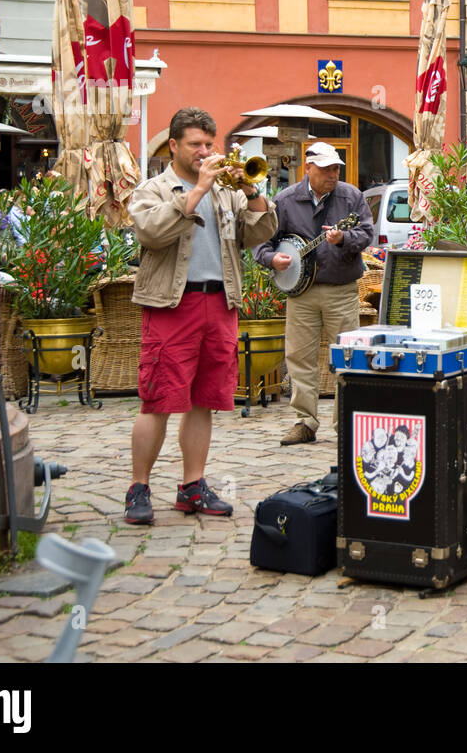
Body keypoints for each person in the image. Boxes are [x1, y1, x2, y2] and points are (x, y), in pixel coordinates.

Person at [124, 107, 278, 525]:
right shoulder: (153, 189)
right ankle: (138, 488)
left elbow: (257, 234)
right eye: (195, 145)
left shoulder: (227, 191)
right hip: (173, 305)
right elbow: (151, 233)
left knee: (202, 401)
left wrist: (251, 191)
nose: (204, 152)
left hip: (220, 303)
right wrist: (195, 192)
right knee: (157, 399)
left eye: (210, 144)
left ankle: (192, 486)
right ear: (173, 146)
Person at [255, 141, 374, 446]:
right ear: (308, 168)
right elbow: (262, 242)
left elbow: (366, 234)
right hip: (300, 293)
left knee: (348, 357)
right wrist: (273, 260)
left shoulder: (351, 196)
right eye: (325, 169)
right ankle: (305, 422)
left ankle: (346, 422)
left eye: (336, 168)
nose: (332, 174)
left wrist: (342, 238)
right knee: (299, 358)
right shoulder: (284, 200)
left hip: (341, 289)